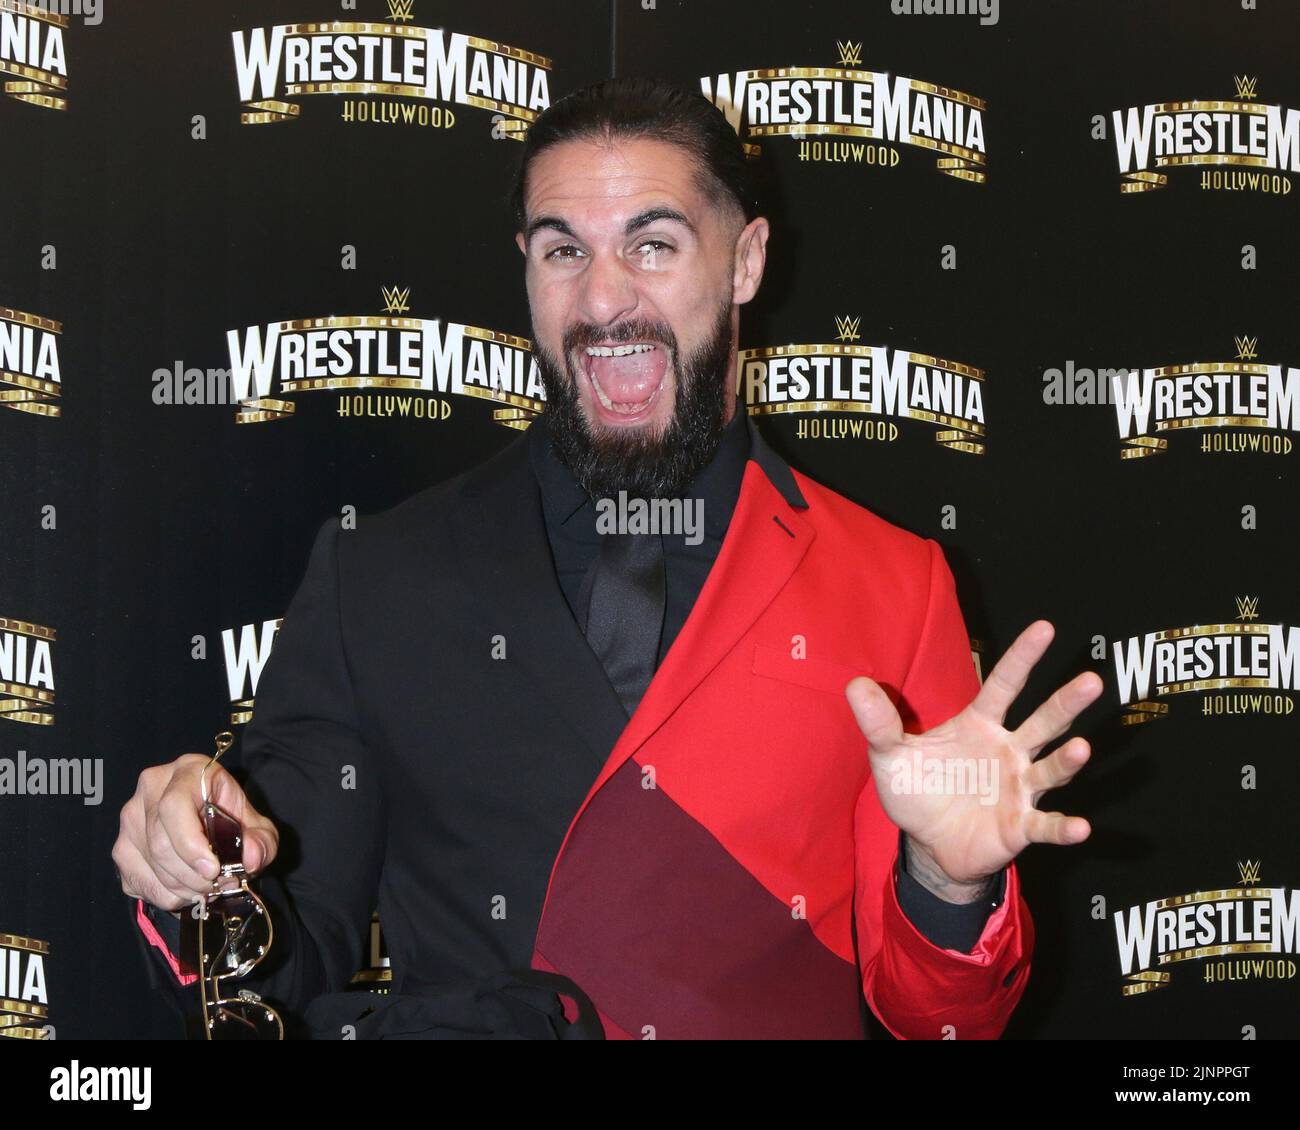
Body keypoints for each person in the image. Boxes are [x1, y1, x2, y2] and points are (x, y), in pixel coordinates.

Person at [112, 76, 1103, 1040]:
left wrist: (947, 882)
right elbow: (275, 961)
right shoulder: (378, 574)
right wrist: (196, 874)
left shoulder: (895, 585)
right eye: (562, 251)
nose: (602, 299)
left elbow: (942, 1022)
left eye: (653, 244)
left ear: (746, 261)